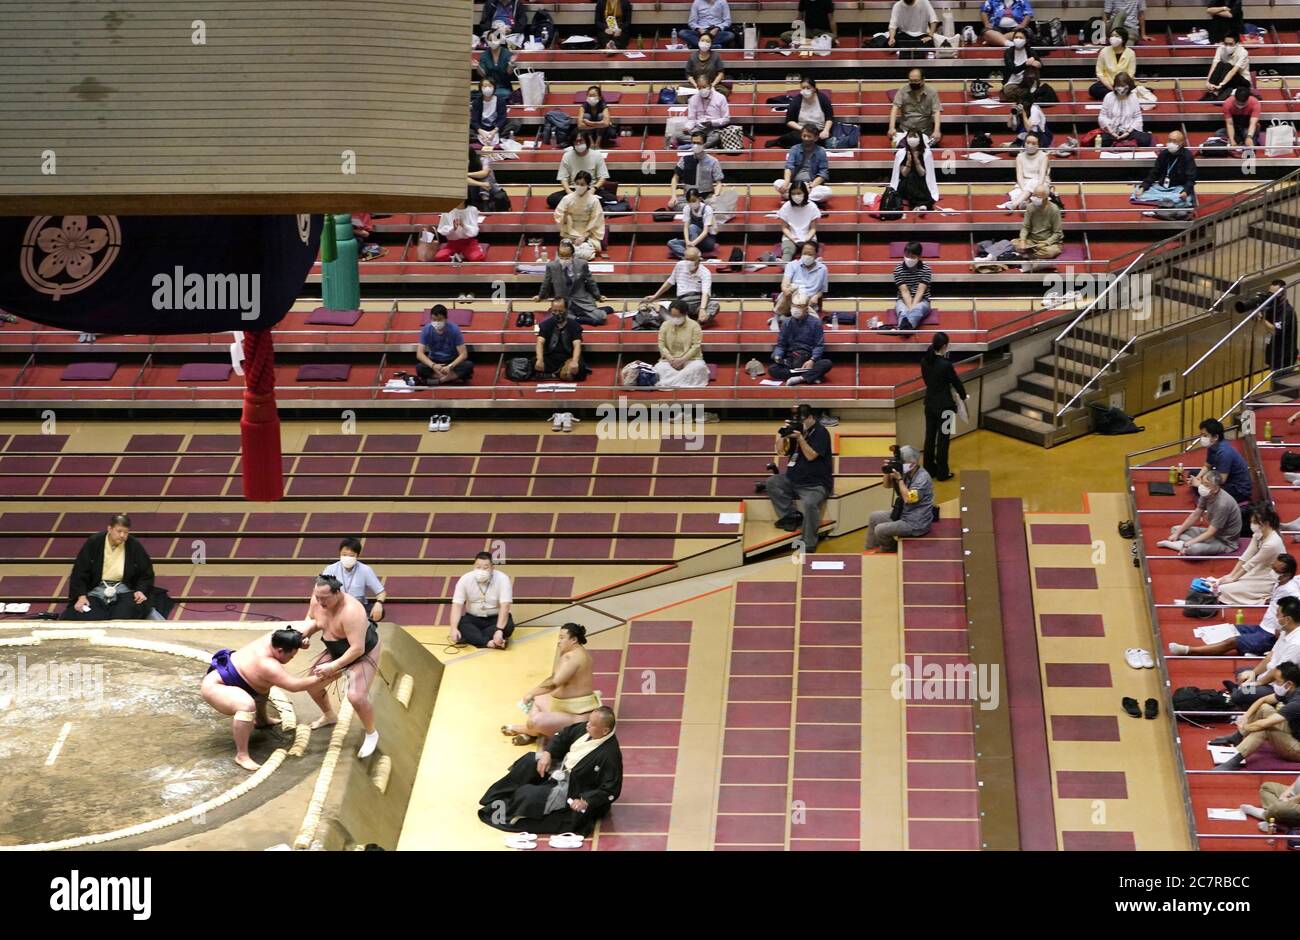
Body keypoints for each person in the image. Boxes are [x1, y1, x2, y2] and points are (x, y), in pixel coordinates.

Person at [479, 706, 622, 835]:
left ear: (605, 731)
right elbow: (563, 735)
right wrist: (548, 753)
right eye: (588, 721)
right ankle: (499, 796)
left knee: (530, 794)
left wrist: (586, 801)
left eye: (592, 725)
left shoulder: (610, 755)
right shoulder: (585, 730)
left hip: (575, 787)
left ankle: (512, 810)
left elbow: (610, 789)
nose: (587, 726)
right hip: (562, 766)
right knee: (531, 760)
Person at [200, 627, 325, 771]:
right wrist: (321, 676)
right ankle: (242, 755)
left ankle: (262, 720)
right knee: (246, 706)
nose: (292, 658)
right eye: (291, 656)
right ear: (279, 650)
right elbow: (294, 686)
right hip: (216, 687)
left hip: (234, 680)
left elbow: (302, 626)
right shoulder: (269, 665)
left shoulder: (271, 637)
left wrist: (300, 639)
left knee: (263, 685)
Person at [299, 575, 383, 759]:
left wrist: (333, 666)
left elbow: (357, 648)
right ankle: (329, 715)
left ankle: (371, 733)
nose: (319, 602)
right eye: (317, 597)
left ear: (338, 593)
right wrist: (304, 635)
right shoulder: (318, 600)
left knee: (355, 696)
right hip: (335, 649)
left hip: (363, 653)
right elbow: (311, 619)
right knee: (312, 685)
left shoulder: (353, 611)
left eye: (324, 598)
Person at [1171, 554, 1299, 657]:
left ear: (1286, 574)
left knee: (1231, 642)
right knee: (1230, 629)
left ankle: (1190, 651)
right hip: (1262, 627)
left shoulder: (1292, 593)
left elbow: (1295, 618)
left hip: (1271, 635)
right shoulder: (1280, 582)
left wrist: (1281, 637)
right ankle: (1250, 650)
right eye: (1272, 567)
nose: (1272, 571)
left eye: (1275, 570)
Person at [501, 623, 601, 743]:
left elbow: (554, 683)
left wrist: (530, 693)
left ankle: (526, 730)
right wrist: (534, 694)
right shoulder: (577, 652)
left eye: (562, 638)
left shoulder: (573, 658)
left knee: (535, 720)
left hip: (577, 716)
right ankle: (533, 732)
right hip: (564, 706)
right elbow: (554, 679)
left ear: (574, 639)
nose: (559, 641)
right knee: (538, 698)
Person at [762, 404, 834, 550]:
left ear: (810, 418)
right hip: (793, 480)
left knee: (810, 504)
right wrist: (783, 434)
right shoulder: (797, 430)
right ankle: (791, 516)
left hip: (815, 484)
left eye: (802, 421)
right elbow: (781, 451)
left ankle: (809, 542)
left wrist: (801, 439)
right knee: (772, 482)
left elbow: (811, 456)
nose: (800, 424)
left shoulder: (821, 432)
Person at [63, 513, 158, 621]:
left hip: (123, 590)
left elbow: (146, 573)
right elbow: (80, 571)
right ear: (110, 529)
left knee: (129, 611)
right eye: (119, 531)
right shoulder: (95, 542)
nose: (122, 535)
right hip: (96, 589)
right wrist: (81, 596)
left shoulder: (133, 545)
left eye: (126, 532)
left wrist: (141, 591)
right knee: (85, 613)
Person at [1212, 661, 1300, 770]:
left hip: (1297, 749)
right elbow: (1262, 700)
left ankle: (1235, 761)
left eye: (1277, 682)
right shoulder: (1290, 690)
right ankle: (1238, 736)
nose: (1276, 685)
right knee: (1264, 707)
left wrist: (1246, 727)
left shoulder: (1297, 702)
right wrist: (1245, 717)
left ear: (1289, 684)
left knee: (1264, 728)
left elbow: (1265, 723)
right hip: (1293, 730)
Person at [1212, 504, 1286, 605]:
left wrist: (1234, 578)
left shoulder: (1272, 543)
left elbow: (1251, 563)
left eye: (1255, 522)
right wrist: (1231, 575)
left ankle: (1265, 597)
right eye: (1252, 522)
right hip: (1257, 571)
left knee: (1223, 589)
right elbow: (1246, 556)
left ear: (1266, 523)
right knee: (1221, 582)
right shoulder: (1258, 535)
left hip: (1268, 578)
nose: (1252, 525)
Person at [865, 445, 936, 552]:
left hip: (915, 523)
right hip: (903, 514)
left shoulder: (923, 478)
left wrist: (899, 479)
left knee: (880, 530)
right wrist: (887, 472)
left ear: (912, 464)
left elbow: (909, 499)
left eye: (902, 463)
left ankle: (889, 551)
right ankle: (869, 550)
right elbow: (886, 485)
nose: (900, 465)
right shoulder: (905, 472)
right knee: (874, 517)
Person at [1157, 469, 1242, 555]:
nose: (1202, 487)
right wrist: (1177, 533)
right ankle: (1184, 545)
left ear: (1216, 489)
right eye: (1202, 483)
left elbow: (1210, 532)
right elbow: (1195, 515)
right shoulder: (1206, 493)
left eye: (1207, 485)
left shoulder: (1222, 505)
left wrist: (1189, 543)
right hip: (1212, 535)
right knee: (1175, 529)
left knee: (1194, 549)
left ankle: (1183, 545)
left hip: (1225, 542)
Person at [921, 333, 968, 481]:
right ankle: (942, 472)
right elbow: (956, 382)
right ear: (943, 346)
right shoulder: (946, 365)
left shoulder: (924, 361)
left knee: (929, 438)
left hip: (929, 404)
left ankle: (929, 468)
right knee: (943, 440)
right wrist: (963, 395)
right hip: (946, 407)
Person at [450, 551, 515, 649]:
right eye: (478, 567)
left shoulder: (503, 579)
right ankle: (490, 643)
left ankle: (475, 638)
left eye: (485, 568)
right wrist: (453, 628)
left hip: (495, 619)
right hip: (473, 618)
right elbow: (457, 605)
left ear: (492, 568)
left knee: (508, 626)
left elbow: (505, 606)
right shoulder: (465, 579)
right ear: (474, 566)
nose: (481, 570)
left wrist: (498, 630)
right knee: (461, 624)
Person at [535, 238, 607, 325]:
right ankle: (582, 319)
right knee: (558, 319)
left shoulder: (582, 264)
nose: (564, 259)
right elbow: (546, 284)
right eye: (562, 257)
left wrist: (598, 296)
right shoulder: (552, 266)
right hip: (563, 302)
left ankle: (580, 316)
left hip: (582, 300)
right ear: (558, 255)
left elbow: (590, 282)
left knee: (602, 317)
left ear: (573, 255)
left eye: (567, 257)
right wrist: (540, 296)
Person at [643, 244, 720, 324]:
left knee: (714, 305)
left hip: (698, 302)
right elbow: (670, 282)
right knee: (663, 307)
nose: (688, 262)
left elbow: (705, 292)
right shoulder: (679, 265)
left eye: (691, 260)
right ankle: (681, 322)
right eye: (686, 259)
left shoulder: (705, 272)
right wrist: (655, 296)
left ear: (698, 259)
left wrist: (702, 308)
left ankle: (697, 324)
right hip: (682, 303)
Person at [769, 294, 832, 386]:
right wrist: (777, 355)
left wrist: (812, 360)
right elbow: (781, 345)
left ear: (806, 308)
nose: (795, 309)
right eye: (794, 306)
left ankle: (800, 378)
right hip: (791, 358)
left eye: (799, 306)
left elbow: (819, 345)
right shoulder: (786, 322)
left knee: (826, 363)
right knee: (772, 369)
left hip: (808, 358)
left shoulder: (816, 323)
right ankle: (810, 376)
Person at [1187, 417, 1252, 503]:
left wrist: (1199, 484)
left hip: (1238, 489)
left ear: (1215, 437)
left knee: (1208, 487)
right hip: (1225, 478)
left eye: (1205, 435)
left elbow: (1221, 480)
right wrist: (1198, 477)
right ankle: (1204, 493)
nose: (1202, 438)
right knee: (1193, 473)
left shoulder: (1224, 452)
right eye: (1201, 435)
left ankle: (1207, 496)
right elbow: (1207, 466)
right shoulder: (1212, 446)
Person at [321, 537, 388, 620]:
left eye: (351, 555)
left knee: (378, 612)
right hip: (337, 607)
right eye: (344, 555)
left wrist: (379, 604)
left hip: (359, 607)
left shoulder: (365, 570)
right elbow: (320, 590)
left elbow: (381, 593)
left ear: (357, 556)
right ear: (340, 553)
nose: (347, 558)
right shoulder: (330, 569)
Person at [766, 77, 835, 150]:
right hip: (802, 130)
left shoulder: (822, 98)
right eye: (803, 88)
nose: (805, 90)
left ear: (814, 89)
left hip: (819, 131)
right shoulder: (797, 100)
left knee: (824, 140)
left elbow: (829, 117)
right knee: (790, 138)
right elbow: (789, 121)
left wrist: (826, 130)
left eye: (808, 88)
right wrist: (803, 129)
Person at [655, 299, 710, 387]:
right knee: (660, 368)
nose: (675, 318)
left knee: (699, 368)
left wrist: (682, 360)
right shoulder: (665, 325)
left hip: (691, 360)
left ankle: (670, 383)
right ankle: (681, 381)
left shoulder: (694, 326)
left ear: (684, 314)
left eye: (678, 316)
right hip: (669, 360)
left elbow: (695, 346)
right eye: (673, 316)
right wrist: (671, 359)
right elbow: (661, 345)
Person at [414, 304, 473, 385]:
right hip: (434, 361)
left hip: (451, 361)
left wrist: (450, 366)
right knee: (419, 368)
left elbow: (463, 354)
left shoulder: (454, 329)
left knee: (468, 366)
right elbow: (419, 354)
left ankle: (439, 380)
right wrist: (433, 366)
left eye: (440, 320)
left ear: (446, 318)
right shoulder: (426, 329)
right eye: (434, 320)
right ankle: (451, 378)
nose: (437, 323)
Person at [1134, 131, 1196, 207]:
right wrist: (1143, 187)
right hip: (1162, 187)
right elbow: (1154, 173)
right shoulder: (1164, 154)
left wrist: (1185, 192)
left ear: (1181, 142)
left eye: (1174, 141)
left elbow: (1191, 178)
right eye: (1169, 140)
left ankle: (1167, 200)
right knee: (1137, 194)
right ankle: (1166, 200)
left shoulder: (1187, 155)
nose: (1171, 143)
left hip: (1179, 188)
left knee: (1183, 200)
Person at [549, 134, 610, 210]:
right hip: (574, 189)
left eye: (581, 141)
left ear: (586, 141)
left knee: (611, 199)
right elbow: (563, 177)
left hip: (591, 189)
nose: (578, 144)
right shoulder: (567, 156)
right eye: (576, 141)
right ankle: (586, 205)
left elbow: (603, 177)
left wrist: (593, 189)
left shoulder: (596, 155)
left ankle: (575, 205)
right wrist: (569, 192)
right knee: (552, 199)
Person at [775, 124, 833, 204]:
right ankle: (806, 200)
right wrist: (786, 183)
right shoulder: (794, 149)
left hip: (811, 185)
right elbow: (789, 167)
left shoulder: (821, 151)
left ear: (816, 138)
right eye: (804, 136)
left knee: (827, 192)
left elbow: (823, 173)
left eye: (809, 136)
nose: (806, 138)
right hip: (794, 185)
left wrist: (810, 187)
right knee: (777, 183)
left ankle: (794, 199)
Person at [554, 170, 605, 259]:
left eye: (582, 184)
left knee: (585, 254)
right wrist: (565, 215)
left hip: (587, 235)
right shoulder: (567, 199)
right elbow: (559, 217)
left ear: (588, 185)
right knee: (565, 252)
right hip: (569, 233)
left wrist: (583, 237)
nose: (579, 186)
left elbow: (596, 221)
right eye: (577, 183)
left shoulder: (594, 201)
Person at [775, 240, 829, 321]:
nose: (807, 256)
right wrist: (786, 290)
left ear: (816, 255)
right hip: (792, 298)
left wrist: (816, 296)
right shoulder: (792, 265)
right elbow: (785, 283)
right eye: (804, 253)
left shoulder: (823, 269)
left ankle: (787, 318)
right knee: (791, 288)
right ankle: (777, 317)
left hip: (809, 302)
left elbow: (822, 290)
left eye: (810, 254)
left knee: (815, 323)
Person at [668, 130, 725, 206]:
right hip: (689, 196)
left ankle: (698, 208)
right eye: (694, 143)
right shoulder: (684, 159)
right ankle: (700, 209)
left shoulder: (713, 161)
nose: (695, 145)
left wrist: (716, 195)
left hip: (707, 197)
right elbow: (675, 178)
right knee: (672, 205)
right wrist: (673, 196)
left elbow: (719, 183)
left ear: (704, 144)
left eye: (698, 143)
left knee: (718, 206)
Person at [535, 300, 589, 379]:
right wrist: (539, 359)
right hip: (550, 358)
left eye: (560, 311)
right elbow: (540, 342)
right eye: (555, 311)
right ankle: (557, 374)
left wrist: (574, 361)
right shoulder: (545, 324)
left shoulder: (574, 325)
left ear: (566, 310)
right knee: (533, 364)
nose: (557, 313)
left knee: (578, 369)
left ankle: (552, 375)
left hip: (568, 357)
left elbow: (577, 345)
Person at [887, 68, 942, 144]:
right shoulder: (903, 90)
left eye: (916, 81)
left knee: (930, 143)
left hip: (925, 131)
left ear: (923, 80)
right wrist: (891, 127)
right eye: (911, 81)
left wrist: (936, 131)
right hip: (905, 129)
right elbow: (895, 107)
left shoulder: (932, 92)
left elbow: (936, 111)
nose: (913, 83)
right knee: (898, 144)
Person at [889, 132, 939, 211]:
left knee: (916, 179)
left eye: (915, 136)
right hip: (905, 184)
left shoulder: (926, 153)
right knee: (911, 177)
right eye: (910, 136)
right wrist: (908, 162)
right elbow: (904, 174)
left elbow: (922, 173)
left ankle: (921, 205)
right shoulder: (901, 153)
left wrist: (916, 160)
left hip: (921, 183)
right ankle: (922, 204)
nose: (912, 139)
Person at [675, 77, 731, 149]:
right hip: (698, 129)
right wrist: (687, 127)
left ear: (710, 86)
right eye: (699, 88)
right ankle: (702, 145)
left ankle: (695, 146)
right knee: (678, 135)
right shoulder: (693, 99)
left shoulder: (720, 98)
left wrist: (712, 122)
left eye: (704, 87)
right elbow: (692, 119)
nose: (702, 90)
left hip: (713, 129)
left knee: (717, 137)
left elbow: (726, 119)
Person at [1098, 72, 1150, 147]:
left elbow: (1137, 118)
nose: (1121, 89)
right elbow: (1102, 117)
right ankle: (1124, 142)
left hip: (1128, 131)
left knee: (1145, 140)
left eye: (1123, 86)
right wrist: (1112, 132)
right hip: (1112, 131)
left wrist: (1128, 132)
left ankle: (1122, 142)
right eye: (1118, 86)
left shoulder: (1133, 97)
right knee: (1102, 140)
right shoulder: (1109, 96)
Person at [1012, 185, 1063, 261]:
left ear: (1046, 198)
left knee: (1051, 252)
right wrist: (1023, 240)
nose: (1035, 199)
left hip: (1048, 243)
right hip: (1032, 241)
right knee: (1013, 243)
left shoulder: (1054, 209)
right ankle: (1032, 254)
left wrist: (1045, 243)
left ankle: (1026, 255)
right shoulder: (1030, 207)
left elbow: (1058, 233)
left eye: (1038, 197)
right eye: (1034, 195)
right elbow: (1026, 227)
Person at [891, 241, 933, 332]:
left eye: (912, 257)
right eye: (907, 255)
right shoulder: (898, 269)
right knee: (902, 311)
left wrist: (912, 308)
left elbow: (920, 292)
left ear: (919, 257)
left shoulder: (926, 269)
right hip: (903, 300)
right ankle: (907, 328)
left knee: (918, 310)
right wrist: (909, 308)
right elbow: (904, 292)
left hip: (922, 300)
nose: (909, 259)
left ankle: (904, 328)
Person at [1003, 131, 1050, 210]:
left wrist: (1036, 190)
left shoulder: (1043, 156)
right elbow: (1019, 175)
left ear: (1038, 145)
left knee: (1033, 188)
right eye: (1028, 142)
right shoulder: (1019, 157)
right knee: (1017, 194)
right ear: (1024, 143)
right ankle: (1027, 202)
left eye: (1033, 143)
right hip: (1024, 184)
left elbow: (1042, 176)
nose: (1030, 145)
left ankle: (1015, 204)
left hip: (1040, 183)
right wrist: (1024, 189)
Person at [667, 187, 718, 260]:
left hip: (707, 240)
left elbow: (705, 231)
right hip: (692, 241)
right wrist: (687, 241)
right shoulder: (687, 208)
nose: (692, 203)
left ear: (699, 199)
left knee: (693, 227)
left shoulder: (707, 209)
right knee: (671, 243)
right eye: (689, 202)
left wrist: (693, 244)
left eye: (694, 201)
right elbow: (685, 227)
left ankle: (690, 254)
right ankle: (691, 256)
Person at [777, 181, 821, 262]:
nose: (796, 196)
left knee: (809, 252)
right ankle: (785, 266)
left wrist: (806, 239)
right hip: (790, 236)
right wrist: (793, 238)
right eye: (793, 194)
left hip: (808, 236)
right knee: (787, 251)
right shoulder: (786, 207)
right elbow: (784, 228)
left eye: (799, 193)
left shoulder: (812, 207)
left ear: (804, 193)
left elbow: (813, 229)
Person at [1090, 27, 1137, 101]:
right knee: (1093, 89)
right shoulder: (1104, 51)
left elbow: (1131, 73)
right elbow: (1099, 72)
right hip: (1107, 84)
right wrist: (1110, 86)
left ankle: (1113, 96)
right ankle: (1118, 95)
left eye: (1116, 36)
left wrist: (1122, 85)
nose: (1113, 38)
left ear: (1123, 39)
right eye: (1112, 36)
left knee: (1132, 89)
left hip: (1124, 84)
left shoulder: (1130, 53)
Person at [1260, 279, 1297, 373]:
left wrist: (1261, 319)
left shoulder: (1287, 311)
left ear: (1283, 294)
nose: (1271, 297)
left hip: (1284, 357)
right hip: (1274, 353)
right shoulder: (1273, 308)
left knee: (1280, 384)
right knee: (1274, 382)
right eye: (1270, 293)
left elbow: (1275, 330)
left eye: (1274, 294)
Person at [1202, 32, 1251, 101]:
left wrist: (1221, 85)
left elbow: (1233, 71)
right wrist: (1208, 82)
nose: (1228, 46)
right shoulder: (1220, 49)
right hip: (1226, 79)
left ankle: (1218, 91)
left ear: (1237, 44)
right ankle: (1213, 91)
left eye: (1231, 44)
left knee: (1227, 65)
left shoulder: (1243, 52)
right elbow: (1214, 65)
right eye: (1226, 44)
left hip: (1241, 80)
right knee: (1221, 64)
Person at [1000, 28, 1042, 100]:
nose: (1018, 39)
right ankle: (1031, 95)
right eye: (1016, 37)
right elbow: (1013, 69)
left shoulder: (1030, 51)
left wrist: (1037, 63)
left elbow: (1040, 64)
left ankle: (1030, 93)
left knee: (1032, 68)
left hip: (1027, 81)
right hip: (1013, 82)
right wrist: (1026, 64)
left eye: (1021, 38)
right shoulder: (1008, 52)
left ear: (1026, 40)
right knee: (1008, 91)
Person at [470, 79, 513, 144]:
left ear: (494, 88)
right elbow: (474, 120)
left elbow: (502, 118)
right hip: (481, 128)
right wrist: (481, 131)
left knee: (515, 123)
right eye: (484, 86)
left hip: (496, 127)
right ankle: (478, 137)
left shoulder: (500, 101)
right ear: (480, 88)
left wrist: (494, 131)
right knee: (466, 126)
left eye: (490, 86)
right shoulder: (476, 102)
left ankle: (500, 136)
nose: (487, 88)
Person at [476, 34, 515, 105]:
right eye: (490, 40)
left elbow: (509, 72)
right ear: (487, 41)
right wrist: (478, 66)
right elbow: (483, 74)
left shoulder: (507, 54)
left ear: (500, 40)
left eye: (495, 39)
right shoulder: (484, 55)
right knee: (479, 95)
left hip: (504, 87)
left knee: (506, 94)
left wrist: (511, 63)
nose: (493, 42)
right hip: (488, 86)